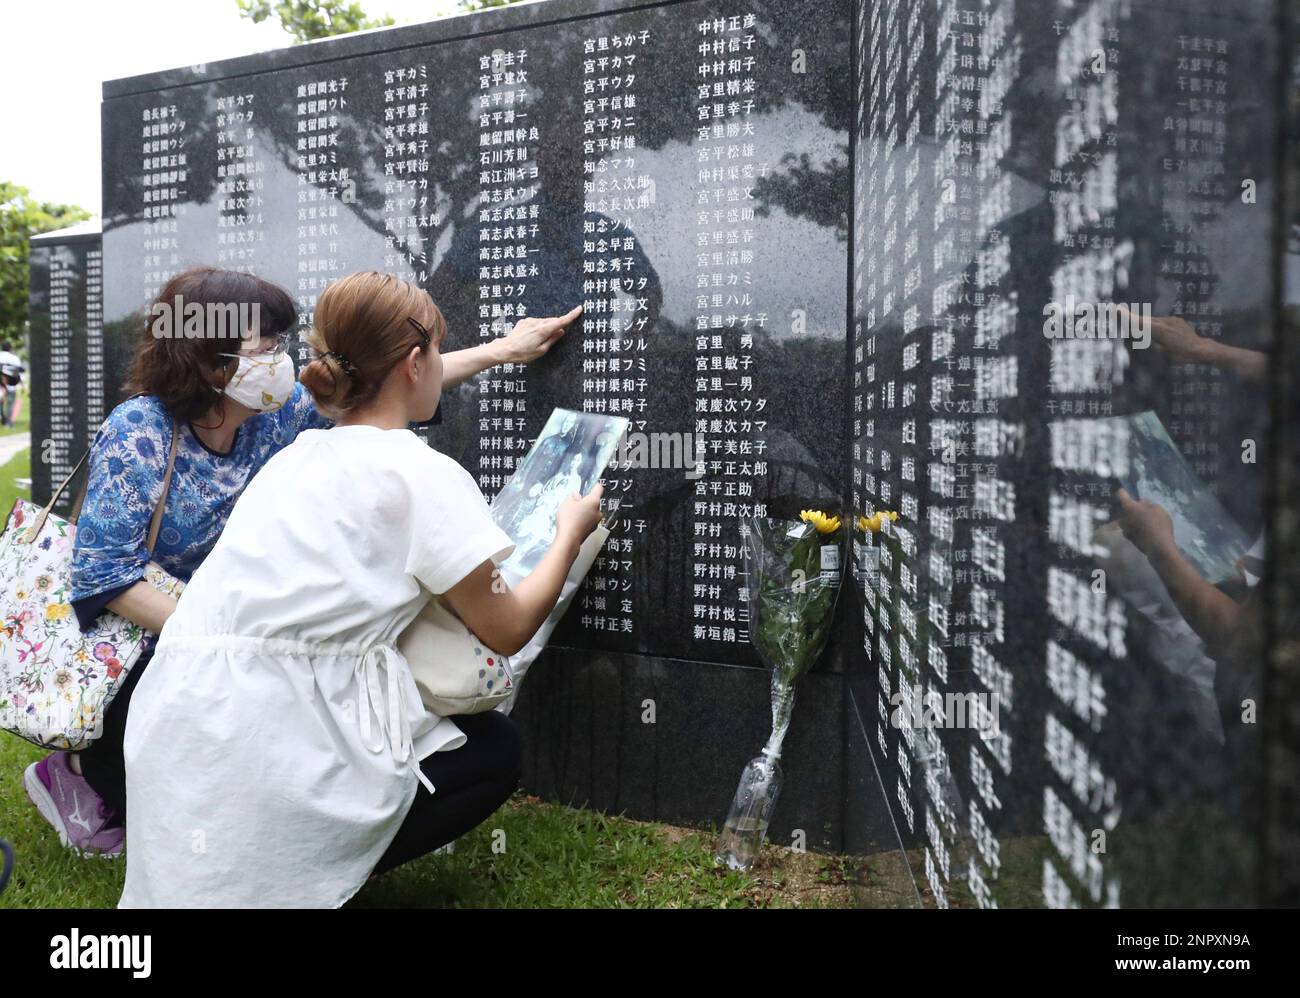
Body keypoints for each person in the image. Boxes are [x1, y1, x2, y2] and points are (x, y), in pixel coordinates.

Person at [22, 266, 581, 858]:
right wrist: (211, 635)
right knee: (177, 777)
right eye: (265, 347)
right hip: (141, 639)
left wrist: (504, 351)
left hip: (236, 627)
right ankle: (84, 775)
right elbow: (102, 575)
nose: (283, 361)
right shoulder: (141, 430)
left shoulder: (274, 417)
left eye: (284, 344)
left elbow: (382, 383)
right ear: (211, 361)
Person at [0, 340, 24, 427]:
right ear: (10, 349)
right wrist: (22, 385)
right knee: (10, 404)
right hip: (11, 386)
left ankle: (3, 418)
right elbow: (19, 373)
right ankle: (8, 422)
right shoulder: (14, 358)